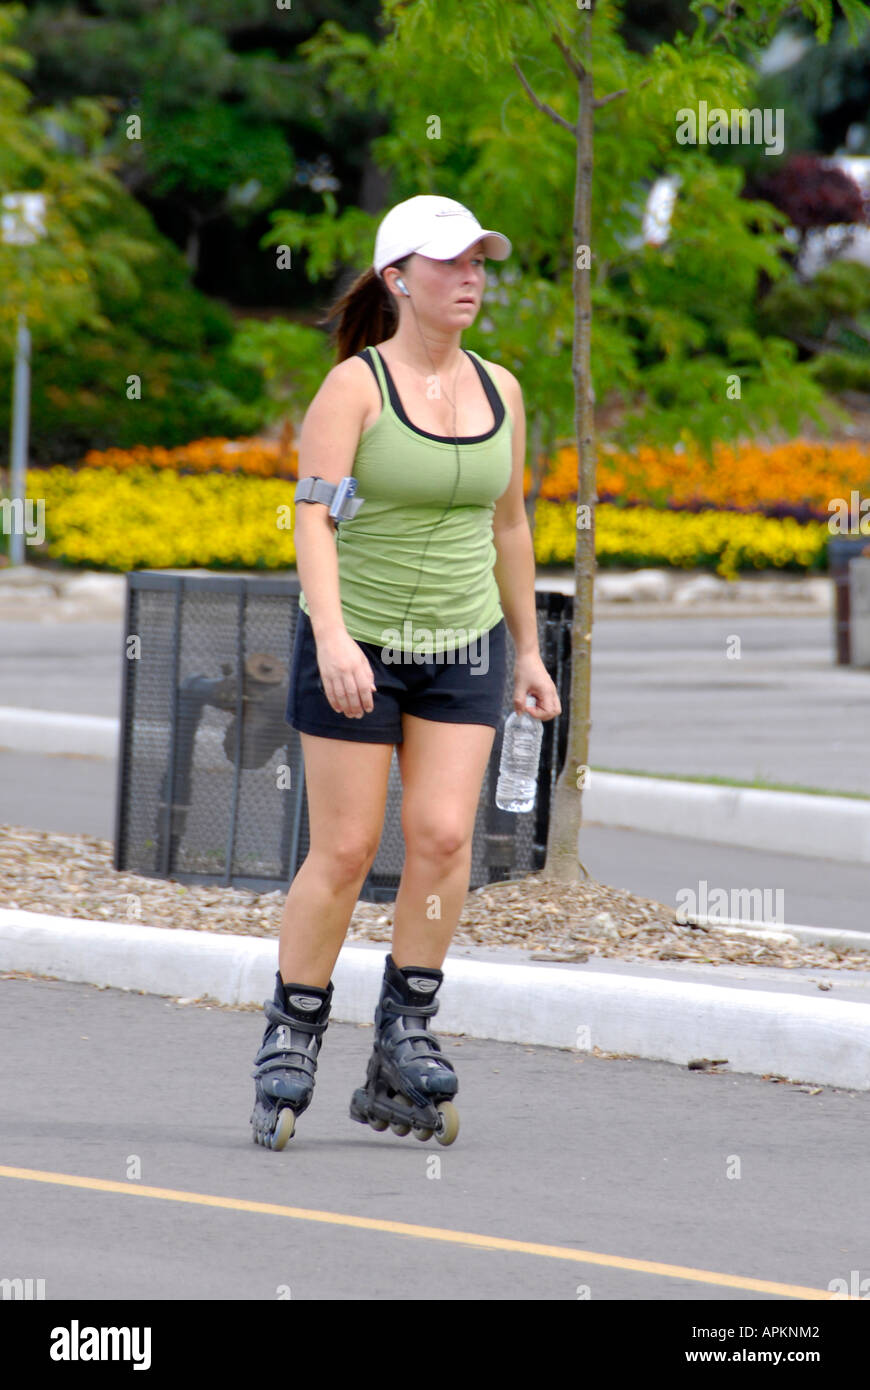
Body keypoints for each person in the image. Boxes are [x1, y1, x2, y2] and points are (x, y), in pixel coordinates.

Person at [250, 194, 561, 1150]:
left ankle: (404, 1032)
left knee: (441, 838)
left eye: (478, 261)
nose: (470, 277)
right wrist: (335, 637)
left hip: (461, 645)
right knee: (344, 850)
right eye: (448, 263)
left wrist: (530, 650)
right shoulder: (355, 388)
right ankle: (293, 1030)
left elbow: (508, 526)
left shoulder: (502, 389)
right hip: (363, 642)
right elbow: (312, 517)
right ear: (397, 280)